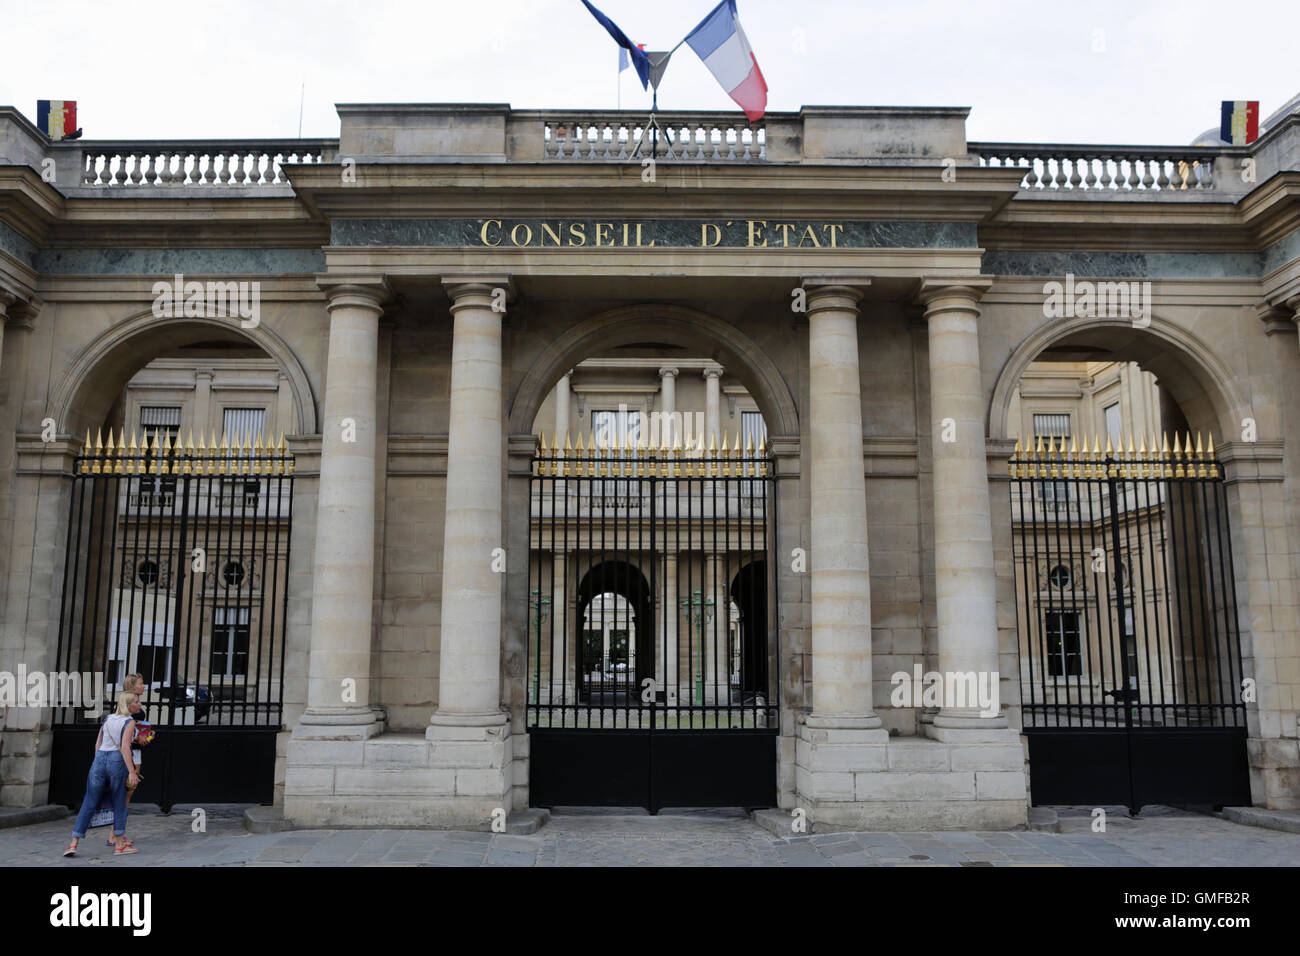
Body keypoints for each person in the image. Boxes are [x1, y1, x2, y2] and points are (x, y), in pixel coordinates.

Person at [63, 690, 140, 857]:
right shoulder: (129, 721)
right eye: (136, 701)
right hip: (116, 760)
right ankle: (119, 845)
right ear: (128, 705)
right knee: (119, 800)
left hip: (99, 760)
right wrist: (132, 772)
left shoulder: (108, 719)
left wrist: (98, 763)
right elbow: (125, 747)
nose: (139, 704)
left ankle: (73, 844)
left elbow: (97, 744)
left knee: (89, 802)